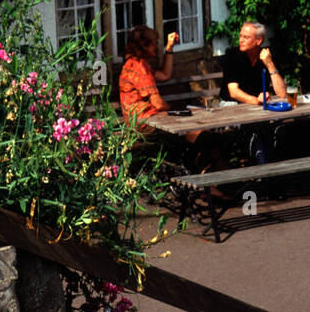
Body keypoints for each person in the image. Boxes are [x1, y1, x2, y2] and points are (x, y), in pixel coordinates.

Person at [119, 25, 231, 192]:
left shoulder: (135, 64)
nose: (156, 47)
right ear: (143, 45)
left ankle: (210, 181)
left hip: (145, 122)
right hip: (146, 124)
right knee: (202, 137)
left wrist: (169, 49)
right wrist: (176, 111)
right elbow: (158, 104)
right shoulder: (139, 67)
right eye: (154, 43)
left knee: (201, 136)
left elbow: (165, 75)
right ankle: (210, 182)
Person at [222, 20, 290, 190]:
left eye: (246, 37)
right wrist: (257, 101)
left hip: (259, 110)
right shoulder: (232, 56)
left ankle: (272, 177)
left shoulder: (266, 56)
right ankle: (268, 182)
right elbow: (233, 92)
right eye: (240, 36)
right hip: (231, 106)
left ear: (258, 41)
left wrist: (270, 64)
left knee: (281, 129)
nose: (241, 40)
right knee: (258, 129)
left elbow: (282, 94)